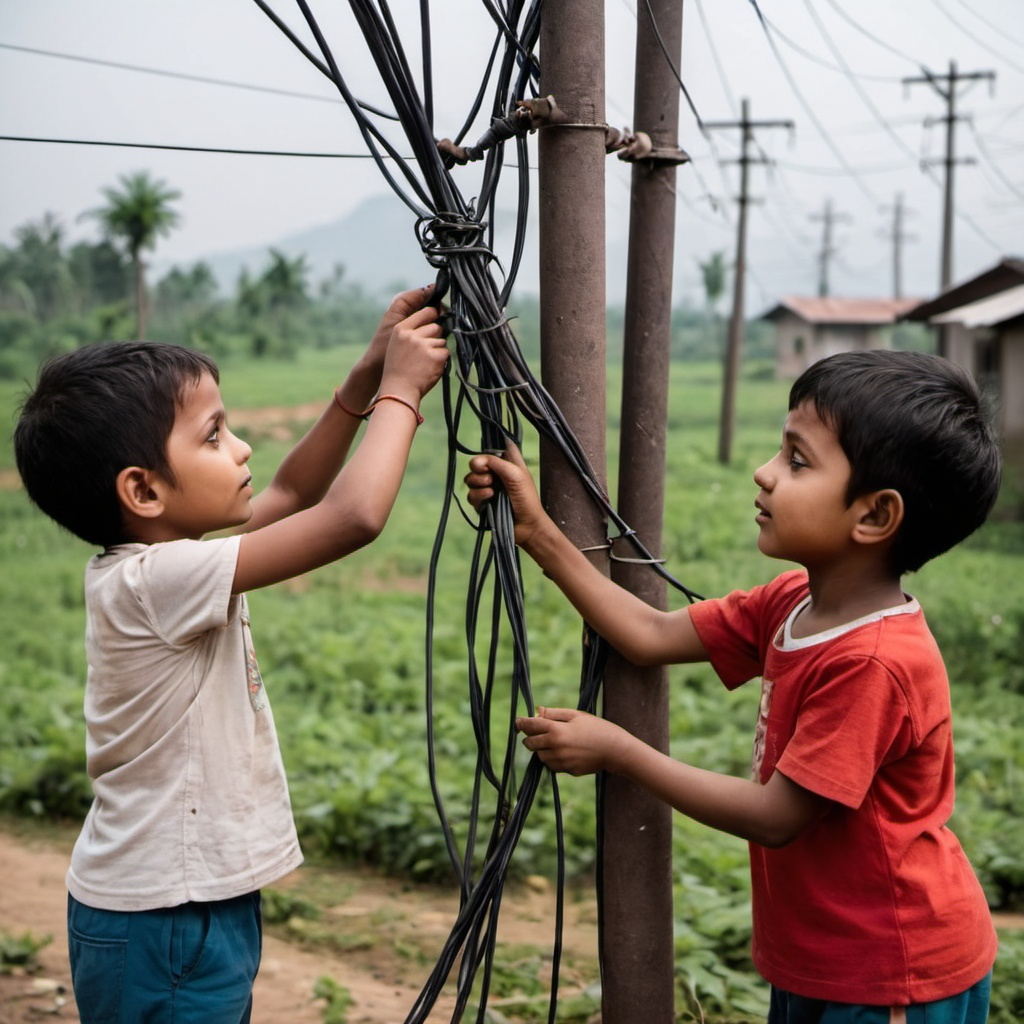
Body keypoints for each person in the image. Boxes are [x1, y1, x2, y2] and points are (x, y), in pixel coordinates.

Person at [464, 350, 1001, 1024]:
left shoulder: (874, 662)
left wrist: (620, 752)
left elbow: (776, 817)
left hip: (892, 973)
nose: (764, 473)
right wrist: (537, 529)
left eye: (797, 462)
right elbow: (650, 635)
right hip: (821, 958)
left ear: (873, 517)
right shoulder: (793, 604)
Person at [13, 285, 449, 1024]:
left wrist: (365, 377)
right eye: (213, 436)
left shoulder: (168, 564)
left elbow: (290, 493)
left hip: (189, 899)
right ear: (143, 490)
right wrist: (401, 393)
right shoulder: (155, 581)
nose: (241, 447)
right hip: (163, 917)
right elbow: (352, 517)